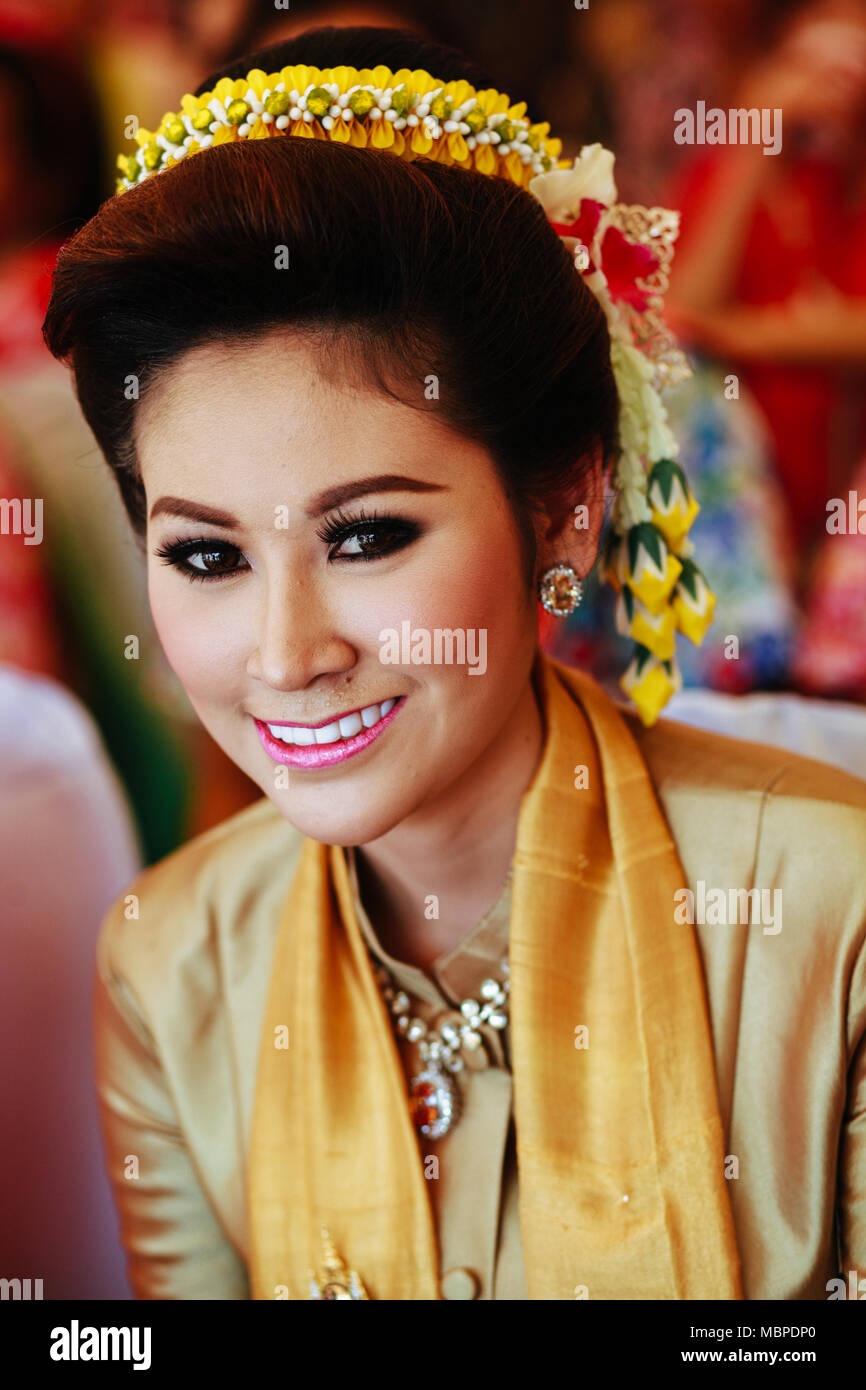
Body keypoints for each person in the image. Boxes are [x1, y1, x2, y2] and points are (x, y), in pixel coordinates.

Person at [42, 24, 866, 1301]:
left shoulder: (832, 913)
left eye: (368, 534)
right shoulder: (173, 964)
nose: (285, 651)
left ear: (564, 511)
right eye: (207, 557)